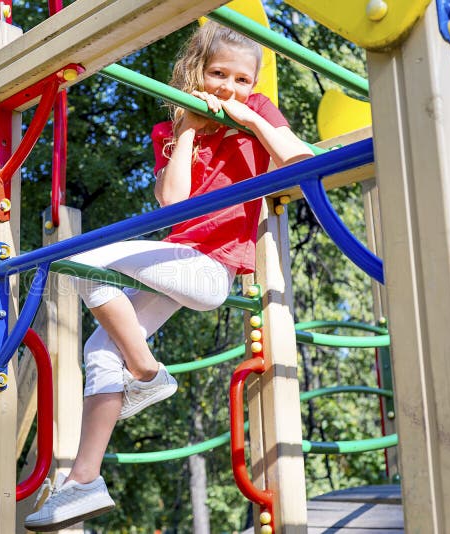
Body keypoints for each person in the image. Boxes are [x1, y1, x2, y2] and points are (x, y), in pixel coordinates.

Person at [24, 21, 312, 531]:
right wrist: (184, 133)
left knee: (84, 259)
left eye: (242, 79)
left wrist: (248, 116)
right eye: (217, 73)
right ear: (194, 73)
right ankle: (84, 481)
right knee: (97, 351)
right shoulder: (172, 130)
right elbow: (173, 204)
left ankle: (150, 374)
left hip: (215, 268)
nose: (228, 87)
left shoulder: (256, 113)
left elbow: (297, 158)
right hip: (179, 261)